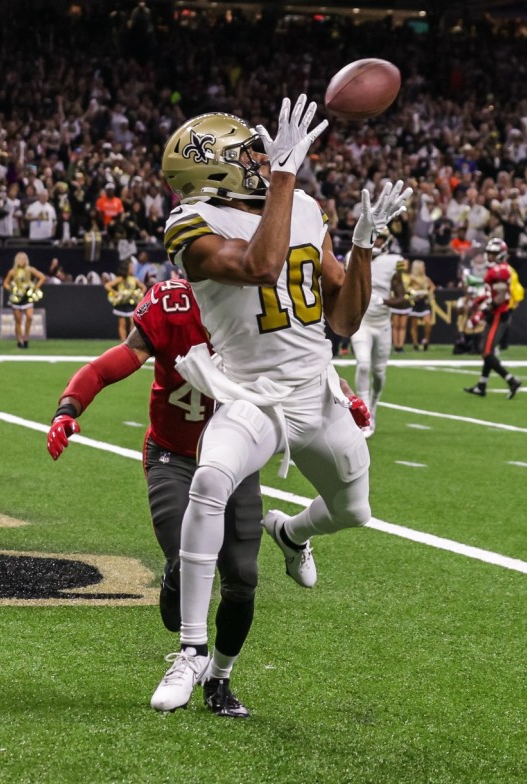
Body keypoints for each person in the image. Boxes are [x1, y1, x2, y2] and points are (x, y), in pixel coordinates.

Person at [150, 96, 410, 712]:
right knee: (210, 479)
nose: (261, 159)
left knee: (355, 510)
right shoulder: (187, 226)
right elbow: (262, 266)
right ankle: (188, 654)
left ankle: (291, 534)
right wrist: (287, 180)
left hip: (316, 390)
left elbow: (343, 318)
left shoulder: (302, 207)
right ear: (209, 171)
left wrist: (364, 246)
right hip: (254, 395)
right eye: (244, 155)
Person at [48, 280, 264, 716]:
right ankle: (181, 606)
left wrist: (342, 399)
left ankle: (219, 681)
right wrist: (68, 408)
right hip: (174, 455)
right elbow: (115, 361)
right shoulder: (173, 302)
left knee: (242, 577)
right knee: (187, 562)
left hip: (237, 458)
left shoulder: (260, 303)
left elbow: (304, 362)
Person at [350, 240, 406, 438]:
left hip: (382, 324)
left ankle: (372, 408)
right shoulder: (352, 256)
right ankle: (364, 417)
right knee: (363, 364)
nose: (376, 241)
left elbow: (403, 297)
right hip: (362, 322)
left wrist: (384, 300)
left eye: (380, 237)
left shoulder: (394, 261)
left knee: (379, 373)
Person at [463, 238, 523, 398]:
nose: (490, 256)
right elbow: (492, 293)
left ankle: (511, 380)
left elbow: (500, 297)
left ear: (501, 254)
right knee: (485, 349)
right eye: (489, 253)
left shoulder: (501, 270)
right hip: (496, 313)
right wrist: (479, 301)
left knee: (487, 351)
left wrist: (482, 312)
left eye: (493, 253)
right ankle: (482, 385)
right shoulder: (496, 269)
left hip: (499, 314)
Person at [3, 252, 45, 349]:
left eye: (23, 259)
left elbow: (42, 277)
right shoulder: (12, 271)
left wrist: (34, 288)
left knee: (29, 317)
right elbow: (5, 283)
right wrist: (12, 289)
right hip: (17, 298)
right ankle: (19, 341)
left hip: (27, 297)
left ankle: (26, 338)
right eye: (19, 258)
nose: (21, 260)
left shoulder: (30, 270)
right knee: (18, 320)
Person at [104, 258, 147, 341]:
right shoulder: (120, 278)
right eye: (131, 267)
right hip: (121, 303)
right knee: (122, 323)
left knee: (133, 322)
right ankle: (123, 342)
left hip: (131, 303)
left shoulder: (134, 279)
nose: (132, 269)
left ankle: (130, 341)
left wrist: (138, 294)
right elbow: (107, 286)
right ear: (126, 268)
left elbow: (144, 287)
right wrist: (115, 293)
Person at [407, 260, 435, 351]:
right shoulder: (411, 277)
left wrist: (428, 293)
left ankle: (426, 340)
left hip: (424, 302)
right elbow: (407, 288)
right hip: (415, 302)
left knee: (428, 322)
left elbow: (432, 287)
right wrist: (413, 293)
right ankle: (415, 344)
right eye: (423, 267)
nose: (424, 268)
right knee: (414, 325)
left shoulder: (426, 278)